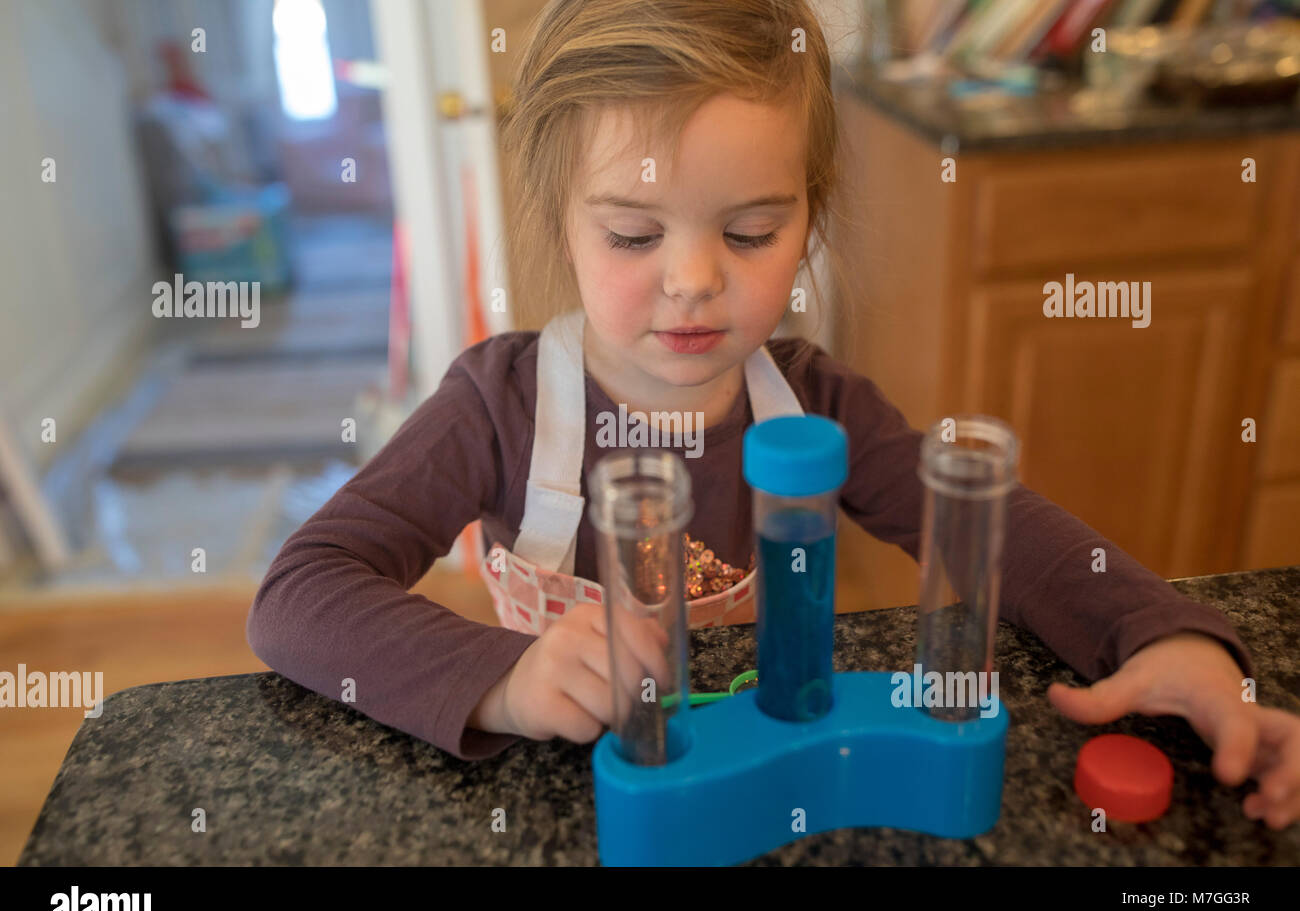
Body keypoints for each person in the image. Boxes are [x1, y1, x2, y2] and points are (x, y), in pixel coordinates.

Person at [246, 0, 1300, 829]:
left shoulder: (816, 403)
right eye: (631, 234)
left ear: (809, 216)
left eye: (750, 231)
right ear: (559, 220)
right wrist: (505, 681)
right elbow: (300, 594)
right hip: (579, 797)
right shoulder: (499, 406)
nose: (694, 280)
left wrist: (1167, 636)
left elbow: (1004, 536)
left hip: (762, 772)